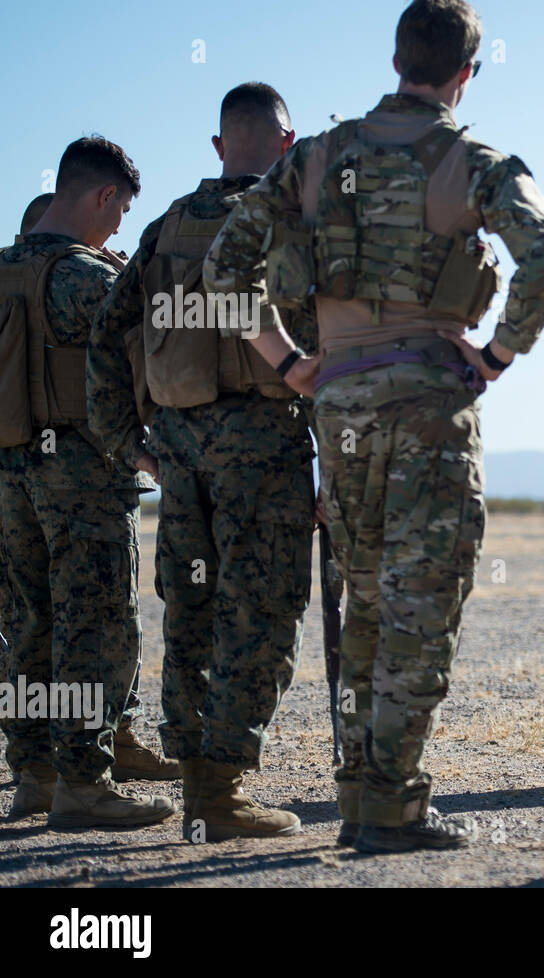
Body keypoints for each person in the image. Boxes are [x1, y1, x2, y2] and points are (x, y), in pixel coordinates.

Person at [204, 0, 544, 852]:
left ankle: (361, 795)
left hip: (337, 400)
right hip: (429, 402)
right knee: (422, 599)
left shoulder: (314, 158)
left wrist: (289, 361)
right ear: (465, 73)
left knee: (361, 594)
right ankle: (391, 803)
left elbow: (226, 263)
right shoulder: (471, 159)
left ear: (397, 57)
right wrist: (499, 355)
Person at [89, 83, 315, 841]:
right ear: (288, 144)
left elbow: (107, 331)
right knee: (262, 612)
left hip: (179, 450)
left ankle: (197, 778)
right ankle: (218, 795)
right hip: (265, 447)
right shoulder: (292, 223)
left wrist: (128, 442)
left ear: (219, 147)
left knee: (191, 613)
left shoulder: (165, 228)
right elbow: (331, 349)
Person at [0, 137, 174, 828]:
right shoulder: (89, 278)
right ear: (103, 196)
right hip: (83, 475)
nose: (120, 226)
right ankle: (84, 783)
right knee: (93, 626)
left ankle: (33, 775)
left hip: (8, 477)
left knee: (25, 625)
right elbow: (152, 361)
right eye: (122, 210)